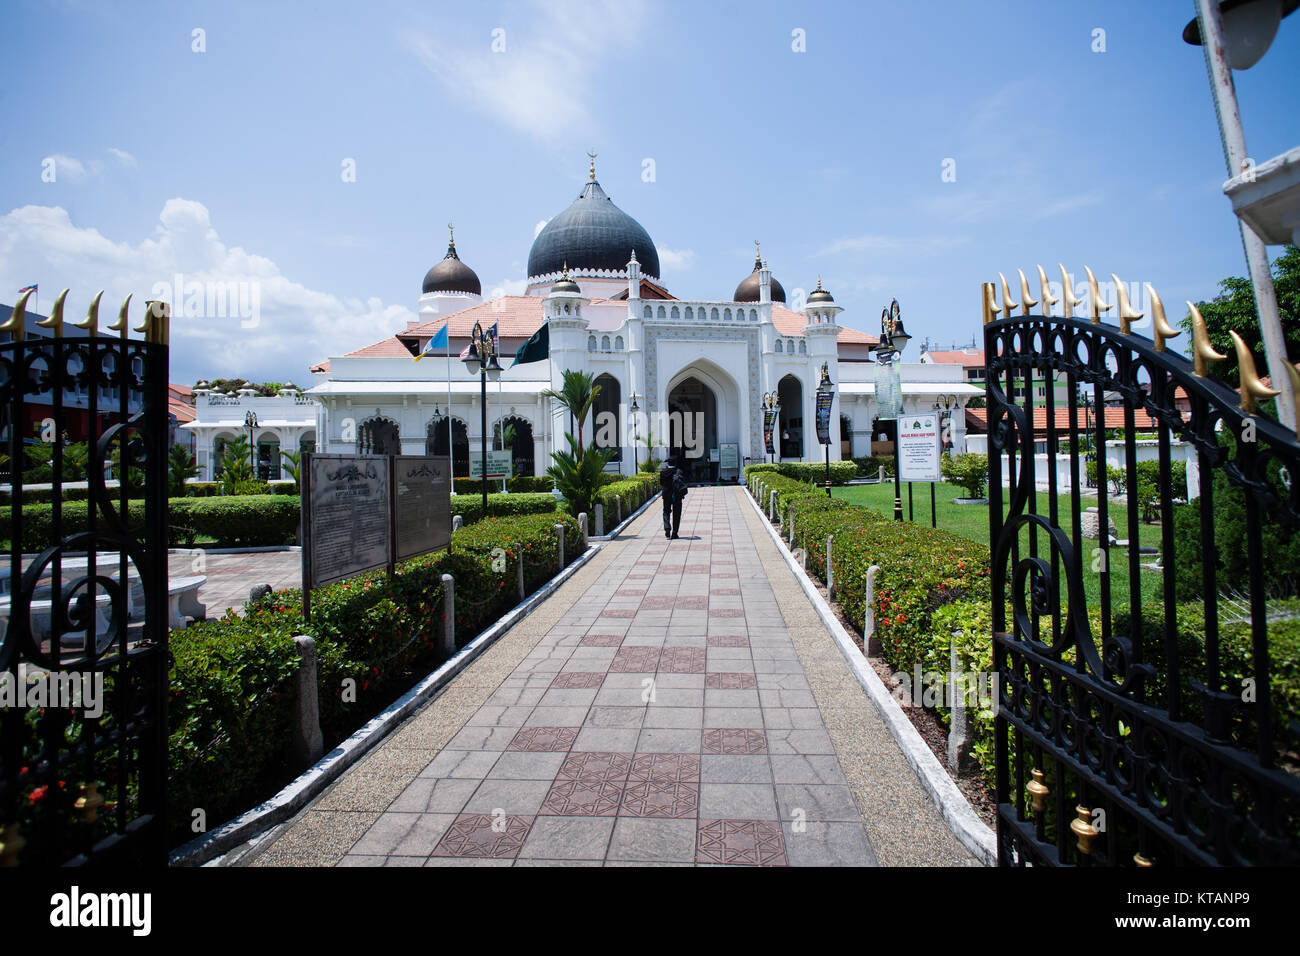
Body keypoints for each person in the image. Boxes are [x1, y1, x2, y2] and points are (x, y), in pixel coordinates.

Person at [660, 457, 686, 539]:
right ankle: (675, 533)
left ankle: (667, 528)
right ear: (675, 464)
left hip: (666, 495)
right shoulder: (679, 472)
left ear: (668, 464)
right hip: (677, 496)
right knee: (676, 514)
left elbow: (661, 483)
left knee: (666, 512)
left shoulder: (663, 472)